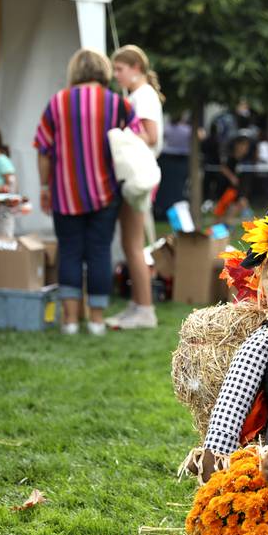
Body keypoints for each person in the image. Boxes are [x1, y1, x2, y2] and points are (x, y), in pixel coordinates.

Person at [35, 48, 135, 336]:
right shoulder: (117, 104)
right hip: (105, 191)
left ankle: (68, 321)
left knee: (69, 251)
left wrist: (44, 186)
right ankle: (96, 320)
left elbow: (43, 149)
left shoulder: (57, 102)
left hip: (64, 192)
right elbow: (137, 142)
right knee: (99, 252)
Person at [110, 44, 164, 330]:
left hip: (139, 176)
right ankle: (137, 304)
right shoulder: (139, 95)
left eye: (120, 69)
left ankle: (144, 309)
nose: (116, 74)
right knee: (130, 243)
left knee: (133, 244)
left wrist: (120, 136)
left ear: (136, 69)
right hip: (137, 175)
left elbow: (151, 136)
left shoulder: (143, 97)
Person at [214, 133, 252, 221]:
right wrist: (232, 177)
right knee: (221, 213)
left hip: (237, 191)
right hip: (227, 190)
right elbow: (223, 168)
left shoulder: (246, 161)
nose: (245, 148)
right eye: (243, 145)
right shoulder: (230, 158)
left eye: (246, 145)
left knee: (239, 208)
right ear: (237, 145)